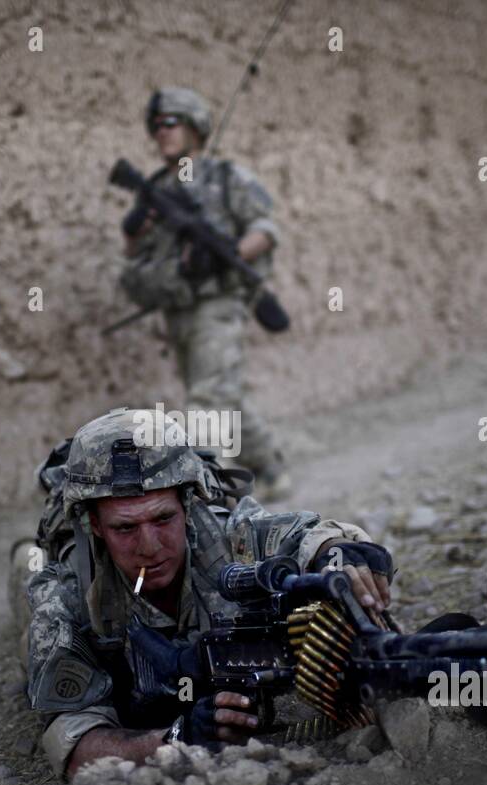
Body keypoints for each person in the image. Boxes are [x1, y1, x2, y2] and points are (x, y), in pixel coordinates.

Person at [24, 408, 394, 779]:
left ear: (187, 505)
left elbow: (304, 537)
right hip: (69, 614)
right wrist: (173, 738)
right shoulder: (67, 595)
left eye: (163, 519)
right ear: (95, 526)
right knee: (26, 624)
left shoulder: (228, 539)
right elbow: (72, 747)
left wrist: (337, 551)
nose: (150, 547)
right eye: (125, 528)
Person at [119, 87, 290, 498]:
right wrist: (133, 230)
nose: (162, 133)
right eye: (156, 126)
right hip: (177, 309)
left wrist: (228, 253)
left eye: (171, 123)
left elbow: (266, 229)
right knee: (225, 392)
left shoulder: (226, 177)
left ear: (195, 127)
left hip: (219, 304)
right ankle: (270, 467)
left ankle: (210, 499)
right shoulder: (154, 189)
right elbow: (136, 254)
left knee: (207, 400)